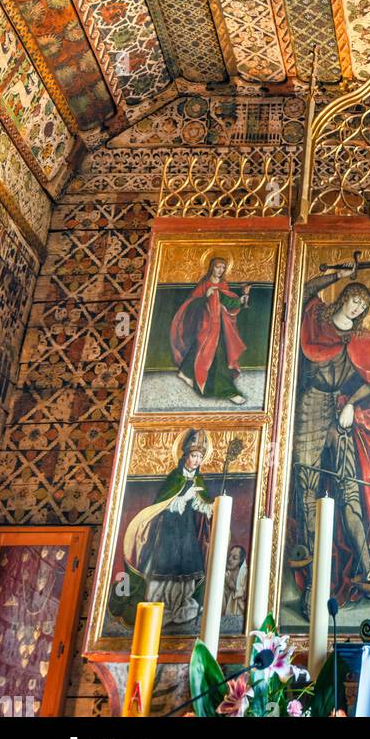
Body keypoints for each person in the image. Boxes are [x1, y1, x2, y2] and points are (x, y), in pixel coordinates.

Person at [292, 268, 370, 615]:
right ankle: (313, 585)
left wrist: (352, 405)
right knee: (307, 486)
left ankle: (368, 571)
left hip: (342, 408)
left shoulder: (362, 337)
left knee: (351, 491)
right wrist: (337, 273)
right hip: (310, 405)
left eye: (364, 303)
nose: (357, 306)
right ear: (344, 296)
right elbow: (300, 288)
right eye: (354, 297)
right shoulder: (317, 317)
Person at [122, 429, 213, 627]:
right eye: (194, 456)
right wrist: (182, 498)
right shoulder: (174, 478)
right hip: (167, 530)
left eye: (200, 457)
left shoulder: (198, 480)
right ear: (185, 456)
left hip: (186, 530)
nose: (196, 460)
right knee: (165, 564)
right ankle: (159, 604)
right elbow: (163, 504)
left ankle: (181, 603)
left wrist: (211, 506)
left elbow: (201, 504)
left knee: (186, 565)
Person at [170, 257, 250, 403]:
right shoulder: (204, 285)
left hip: (220, 325)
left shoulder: (223, 284)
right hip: (205, 325)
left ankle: (186, 372)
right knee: (207, 351)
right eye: (218, 267)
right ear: (211, 267)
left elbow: (230, 302)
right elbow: (190, 305)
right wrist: (205, 297)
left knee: (214, 353)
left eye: (223, 268)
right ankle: (228, 391)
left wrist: (243, 297)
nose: (220, 270)